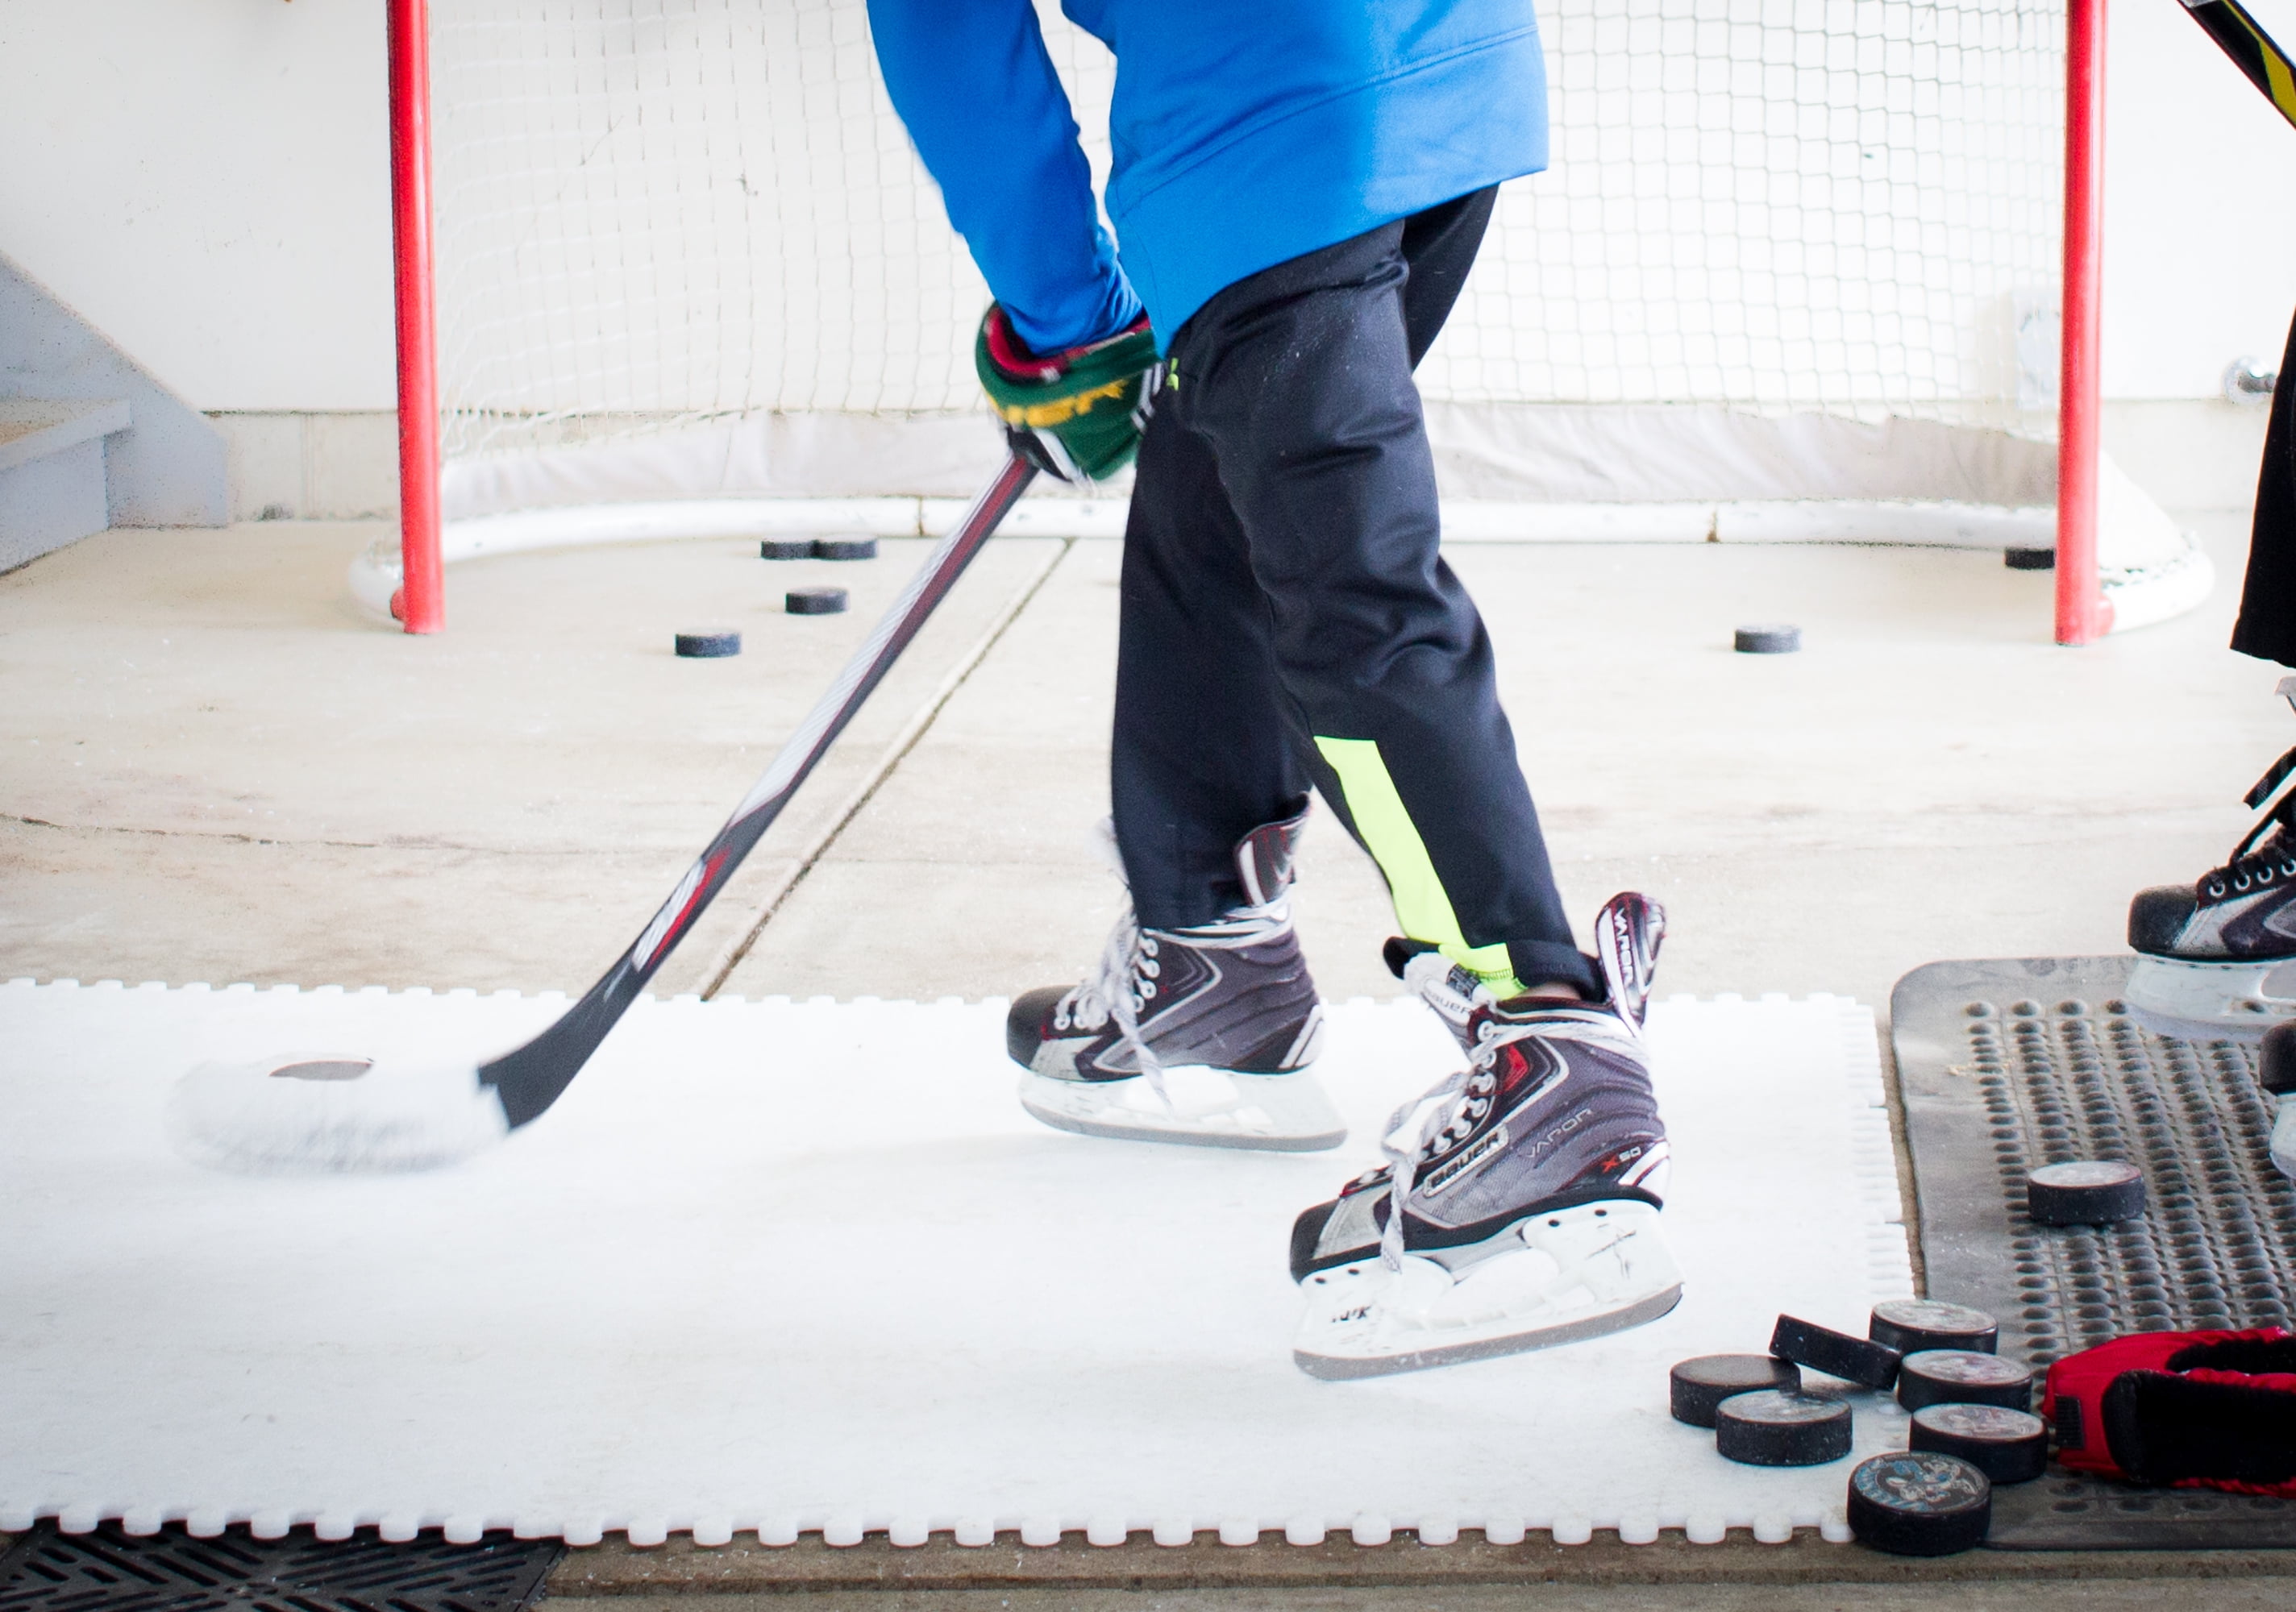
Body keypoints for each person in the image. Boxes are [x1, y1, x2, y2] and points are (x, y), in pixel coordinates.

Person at [865, 0, 1679, 1376]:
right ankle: (1206, 955)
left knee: (1351, 597)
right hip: (1451, 81)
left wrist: (1065, 318)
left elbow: (951, 33)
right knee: (1228, 495)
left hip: (1258, 121)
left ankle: (1553, 1056)